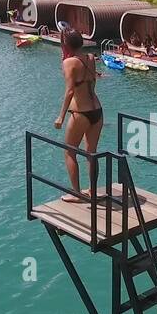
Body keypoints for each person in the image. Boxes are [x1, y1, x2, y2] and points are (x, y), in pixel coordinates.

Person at [55, 28, 103, 203]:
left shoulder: (69, 62)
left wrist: (60, 116)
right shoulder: (90, 58)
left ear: (65, 44)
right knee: (92, 153)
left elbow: (69, 91)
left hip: (80, 112)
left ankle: (77, 195)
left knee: (69, 152)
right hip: (97, 111)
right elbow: (92, 81)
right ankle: (92, 191)